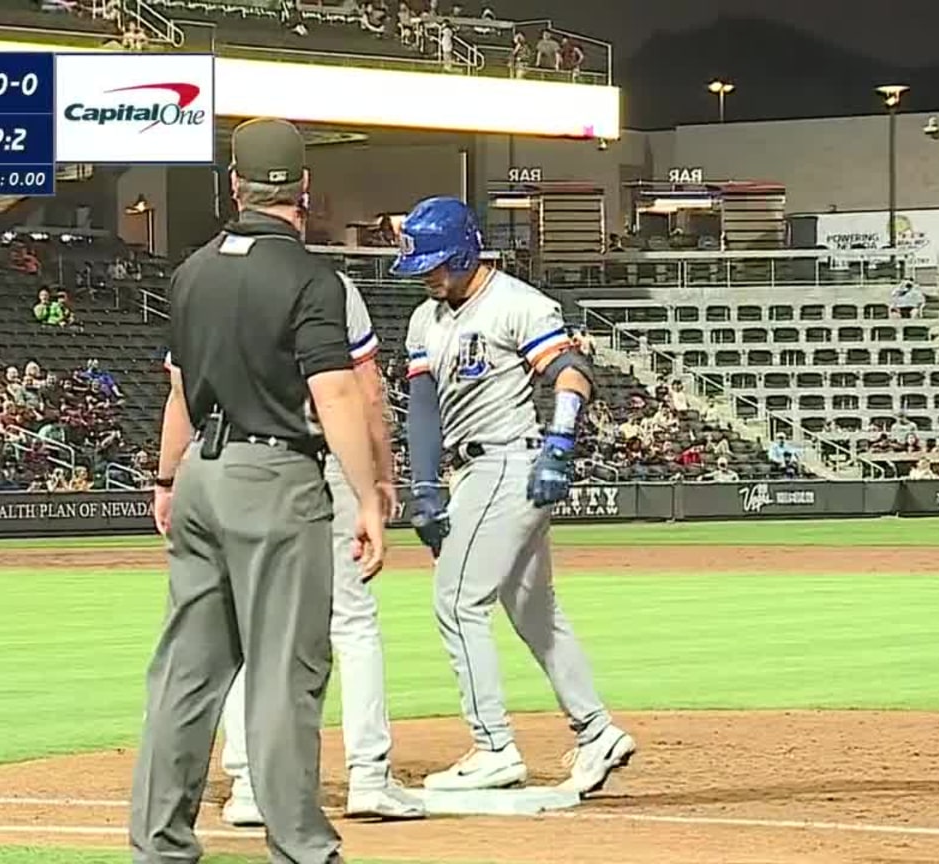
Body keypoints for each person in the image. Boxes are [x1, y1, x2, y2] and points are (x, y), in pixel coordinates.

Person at [130, 117, 387, 864]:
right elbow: (336, 392)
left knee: (185, 673)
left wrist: (167, 477)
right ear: (303, 187)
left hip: (200, 477)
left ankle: (159, 844)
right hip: (274, 479)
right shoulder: (311, 278)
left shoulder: (191, 272)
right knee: (285, 670)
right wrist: (368, 497)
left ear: (234, 185)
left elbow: (179, 392)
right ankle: (302, 847)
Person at [396, 195, 636, 796]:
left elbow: (571, 371)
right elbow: (423, 407)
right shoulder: (426, 319)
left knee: (457, 601)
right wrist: (424, 485)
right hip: (472, 467)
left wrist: (561, 442)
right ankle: (597, 731)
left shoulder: (517, 303)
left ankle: (494, 747)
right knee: (533, 609)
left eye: (435, 264)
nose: (427, 275)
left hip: (509, 460)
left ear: (464, 253)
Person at [215, 269, 426, 828]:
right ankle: (369, 778)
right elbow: (365, 392)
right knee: (352, 621)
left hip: (237, 463)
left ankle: (248, 786)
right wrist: (379, 478)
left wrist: (168, 480)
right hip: (323, 458)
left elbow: (183, 388)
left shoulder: (205, 279)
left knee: (250, 627)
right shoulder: (328, 284)